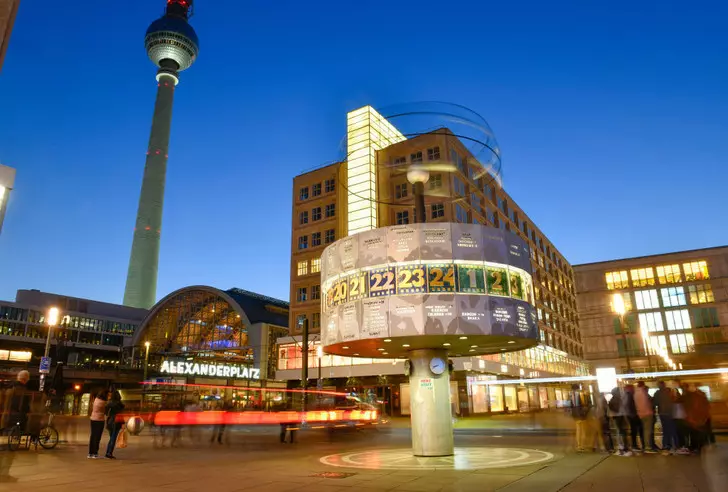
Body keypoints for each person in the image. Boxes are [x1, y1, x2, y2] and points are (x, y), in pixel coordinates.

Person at [683, 383, 710, 454]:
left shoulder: (691, 396)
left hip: (694, 419)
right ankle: (700, 447)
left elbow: (690, 408)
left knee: (694, 434)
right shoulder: (701, 395)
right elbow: (706, 407)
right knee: (699, 434)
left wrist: (690, 418)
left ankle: (695, 448)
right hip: (700, 419)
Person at [653, 381, 676, 454]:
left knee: (665, 430)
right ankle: (673, 445)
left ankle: (666, 445)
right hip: (669, 413)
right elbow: (673, 401)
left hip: (662, 413)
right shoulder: (669, 392)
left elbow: (655, 403)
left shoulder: (657, 393)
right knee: (671, 430)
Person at [634, 382, 658, 453]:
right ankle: (648, 447)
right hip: (647, 413)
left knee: (645, 430)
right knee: (648, 431)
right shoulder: (643, 392)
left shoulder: (636, 393)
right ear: (643, 385)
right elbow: (647, 403)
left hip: (641, 414)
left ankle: (647, 446)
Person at [608, 386, 632, 456]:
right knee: (621, 431)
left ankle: (622, 446)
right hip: (619, 416)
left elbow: (611, 409)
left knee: (620, 431)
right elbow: (621, 408)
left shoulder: (613, 399)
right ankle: (623, 447)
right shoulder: (618, 399)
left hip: (617, 417)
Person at [104, 390, 125, 459]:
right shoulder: (120, 405)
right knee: (113, 438)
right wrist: (123, 424)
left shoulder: (109, 403)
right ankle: (109, 453)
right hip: (117, 422)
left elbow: (106, 412)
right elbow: (121, 415)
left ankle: (108, 452)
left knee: (111, 438)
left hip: (110, 422)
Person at [88, 390, 108, 459]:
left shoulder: (96, 400)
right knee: (97, 437)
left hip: (93, 419)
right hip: (99, 420)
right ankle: (95, 453)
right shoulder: (103, 402)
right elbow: (106, 411)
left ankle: (90, 453)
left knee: (93, 436)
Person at [570, 384, 590, 452]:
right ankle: (583, 446)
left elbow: (571, 406)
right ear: (578, 388)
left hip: (575, 415)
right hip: (582, 415)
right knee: (583, 430)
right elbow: (584, 405)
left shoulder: (571, 395)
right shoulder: (581, 394)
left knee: (578, 430)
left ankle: (579, 446)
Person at [623, 384, 643, 453]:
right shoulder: (629, 395)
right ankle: (635, 445)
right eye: (632, 388)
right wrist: (634, 414)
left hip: (631, 415)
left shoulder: (626, 395)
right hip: (633, 415)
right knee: (636, 430)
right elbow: (631, 406)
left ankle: (634, 445)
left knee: (634, 430)